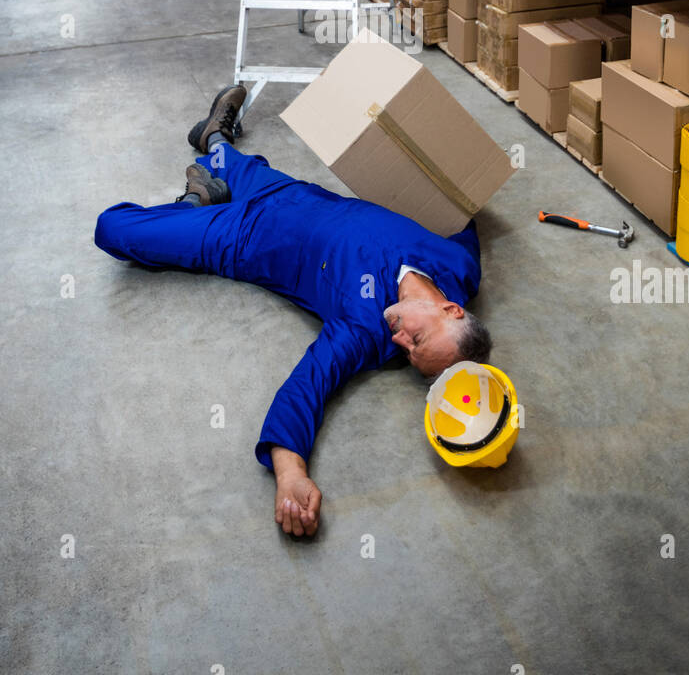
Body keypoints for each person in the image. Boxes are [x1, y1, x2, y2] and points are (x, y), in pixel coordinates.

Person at [94, 86, 491, 538]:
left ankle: (196, 203)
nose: (399, 340)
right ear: (451, 309)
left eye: (408, 353)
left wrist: (290, 472)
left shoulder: (365, 330)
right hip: (289, 192)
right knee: (218, 153)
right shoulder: (459, 266)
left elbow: (309, 384)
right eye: (417, 339)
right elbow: (463, 207)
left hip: (242, 238)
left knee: (113, 228)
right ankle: (215, 141)